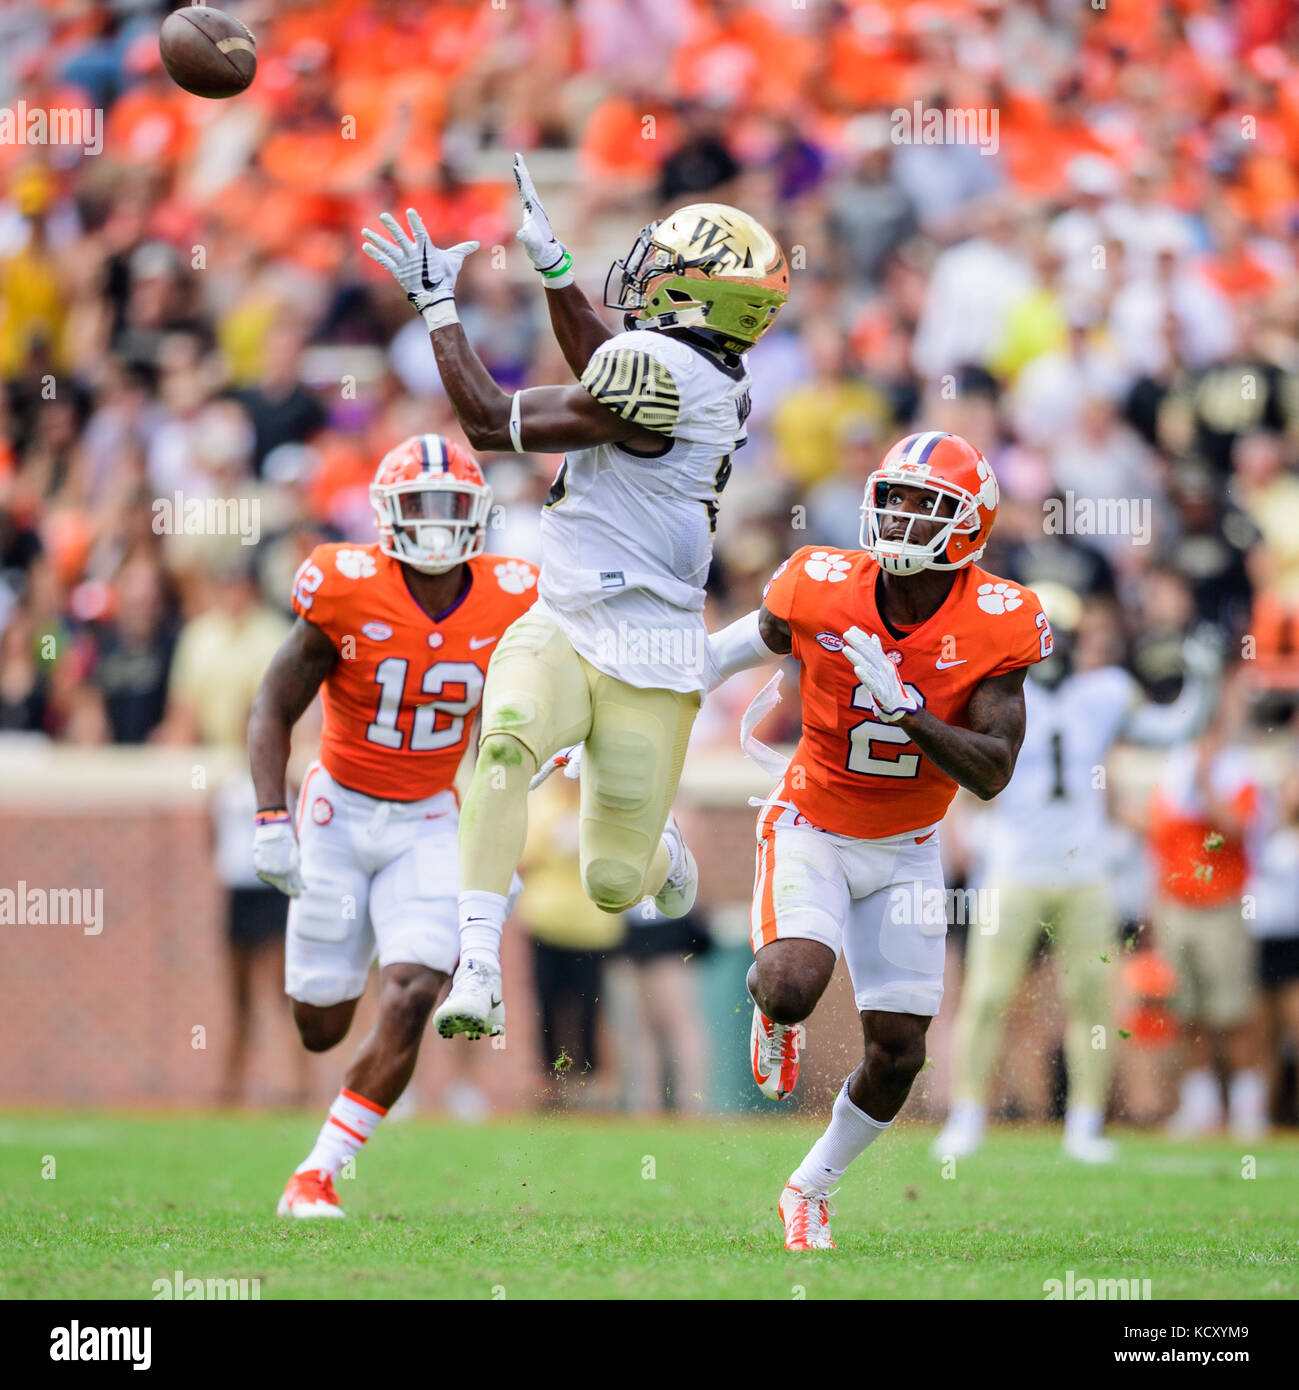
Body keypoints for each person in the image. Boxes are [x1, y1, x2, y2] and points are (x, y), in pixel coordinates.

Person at [359, 155, 789, 1039]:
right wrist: (554, 273)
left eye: (669, 269)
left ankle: (655, 847)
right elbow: (606, 365)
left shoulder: (667, 380)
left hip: (650, 645)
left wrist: (438, 307)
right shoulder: (692, 368)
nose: (646, 276)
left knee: (610, 883)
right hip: (562, 614)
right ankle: (476, 964)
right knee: (505, 745)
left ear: (702, 300)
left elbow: (489, 421)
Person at [707, 431, 1049, 1250]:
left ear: (967, 525)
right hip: (811, 822)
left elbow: (993, 770)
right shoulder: (821, 585)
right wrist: (623, 719)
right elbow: (718, 656)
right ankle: (775, 1014)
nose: (899, 515)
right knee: (790, 983)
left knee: (897, 1053)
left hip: (907, 848)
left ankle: (809, 1188)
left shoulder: (1002, 618)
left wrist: (910, 714)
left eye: (923, 503)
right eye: (892, 497)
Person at [247, 434, 539, 1218]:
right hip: (337, 813)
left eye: (453, 507)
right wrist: (271, 815)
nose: (439, 524)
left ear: (478, 514)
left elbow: (521, 720)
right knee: (319, 1023)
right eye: (422, 507)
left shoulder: (512, 593)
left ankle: (316, 1173)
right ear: (386, 515)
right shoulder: (344, 585)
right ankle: (363, 942)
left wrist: (507, 822)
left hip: (430, 821)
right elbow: (273, 703)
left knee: (412, 993)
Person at [935, 582, 1217, 1164]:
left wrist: (1206, 678)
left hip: (1085, 870)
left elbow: (1174, 729)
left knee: (1093, 1001)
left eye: (1062, 632)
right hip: (1013, 868)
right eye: (1046, 632)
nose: (1054, 645)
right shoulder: (997, 695)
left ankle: (1085, 1122)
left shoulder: (1106, 692)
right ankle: (967, 1115)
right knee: (987, 995)